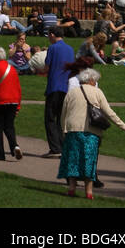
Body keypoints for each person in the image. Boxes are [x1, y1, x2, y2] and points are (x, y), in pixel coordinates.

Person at [59, 62, 125, 199]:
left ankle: (71, 189)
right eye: (96, 80)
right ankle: (89, 192)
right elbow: (109, 112)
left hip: (73, 130)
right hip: (91, 131)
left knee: (73, 160)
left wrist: (64, 129)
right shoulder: (98, 92)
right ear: (92, 80)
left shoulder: (72, 92)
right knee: (89, 161)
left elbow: (64, 112)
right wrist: (124, 126)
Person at [41, 28, 75, 158]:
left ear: (52, 35)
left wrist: (39, 71)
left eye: (49, 35)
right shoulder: (70, 49)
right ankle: (62, 146)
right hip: (66, 86)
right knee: (61, 119)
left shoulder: (53, 48)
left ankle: (55, 148)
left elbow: (47, 67)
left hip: (54, 86)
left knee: (50, 118)